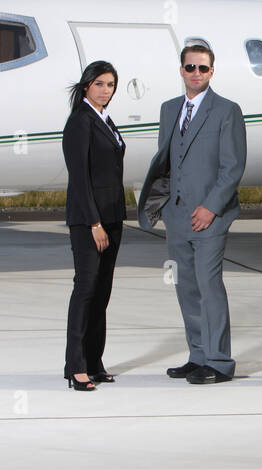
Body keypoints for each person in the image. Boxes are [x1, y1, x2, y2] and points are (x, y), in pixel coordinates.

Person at [138, 42, 247, 384]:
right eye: (190, 67)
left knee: (208, 283)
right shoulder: (169, 109)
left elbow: (233, 167)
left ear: (211, 72)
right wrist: (165, 205)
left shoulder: (227, 110)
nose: (196, 73)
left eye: (202, 68)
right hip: (177, 215)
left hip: (210, 217)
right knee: (185, 286)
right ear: (181, 70)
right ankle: (197, 354)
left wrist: (211, 207)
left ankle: (218, 362)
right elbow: (167, 160)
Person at [62, 60, 127, 391]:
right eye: (100, 84)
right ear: (86, 85)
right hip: (90, 221)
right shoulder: (80, 122)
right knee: (85, 290)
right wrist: (94, 223)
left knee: (101, 293)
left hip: (113, 218)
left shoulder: (104, 119)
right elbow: (80, 179)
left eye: (111, 85)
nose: (106, 90)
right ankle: (75, 366)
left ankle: (94, 361)